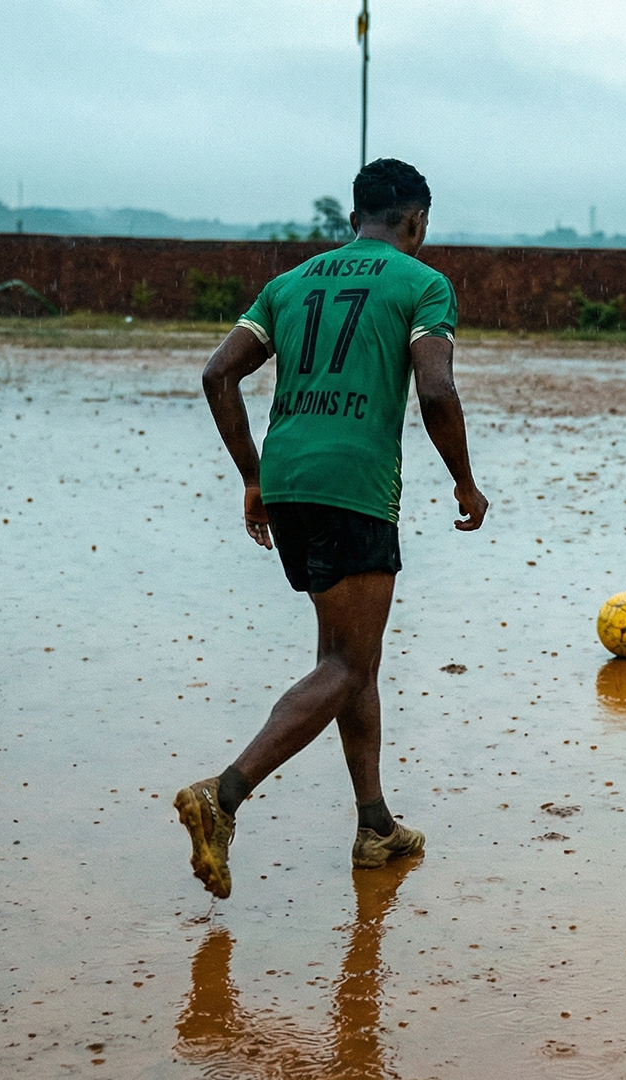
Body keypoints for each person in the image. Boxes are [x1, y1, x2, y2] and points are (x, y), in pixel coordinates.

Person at [175, 158, 490, 899]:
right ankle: (221, 797)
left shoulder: (290, 284)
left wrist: (254, 475)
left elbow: (218, 374)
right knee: (348, 667)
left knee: (348, 659)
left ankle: (374, 824)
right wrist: (465, 480)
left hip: (287, 479)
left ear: (355, 216)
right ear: (416, 221)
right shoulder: (422, 282)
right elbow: (436, 386)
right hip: (354, 484)